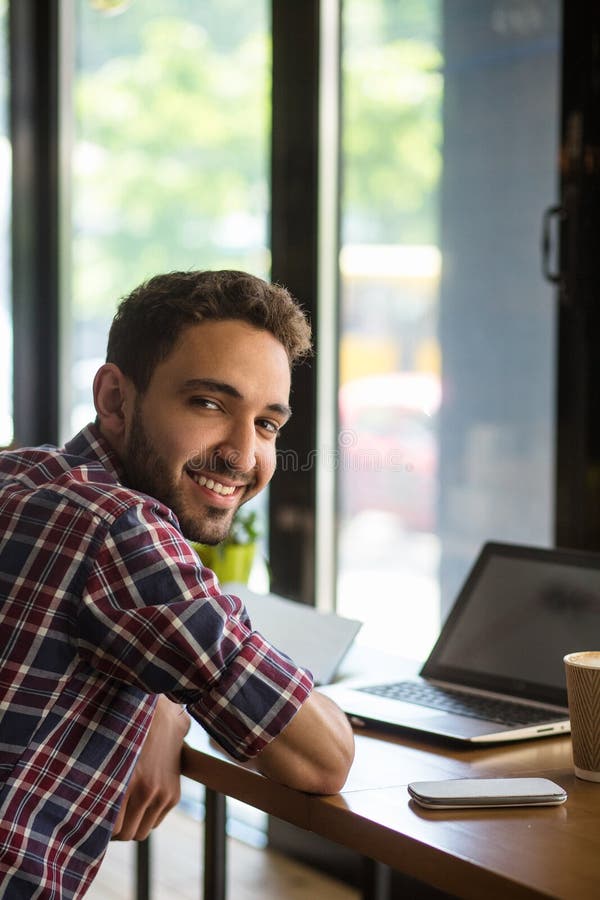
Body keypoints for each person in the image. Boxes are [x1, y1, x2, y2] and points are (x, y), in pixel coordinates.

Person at [0, 270, 354, 898]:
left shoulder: (21, 477)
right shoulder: (120, 527)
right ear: (114, 399)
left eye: (268, 424)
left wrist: (165, 697)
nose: (243, 456)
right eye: (210, 404)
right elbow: (324, 758)